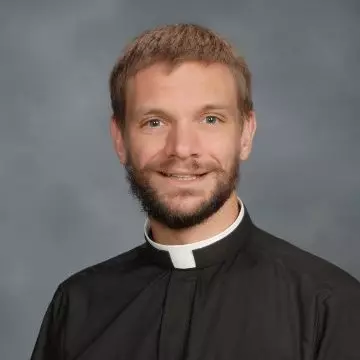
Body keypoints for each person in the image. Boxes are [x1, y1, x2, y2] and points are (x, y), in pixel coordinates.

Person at [30, 23, 360, 360]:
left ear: (246, 134)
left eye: (210, 119)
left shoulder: (331, 307)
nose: (182, 149)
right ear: (120, 140)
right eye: (154, 122)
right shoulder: (76, 306)